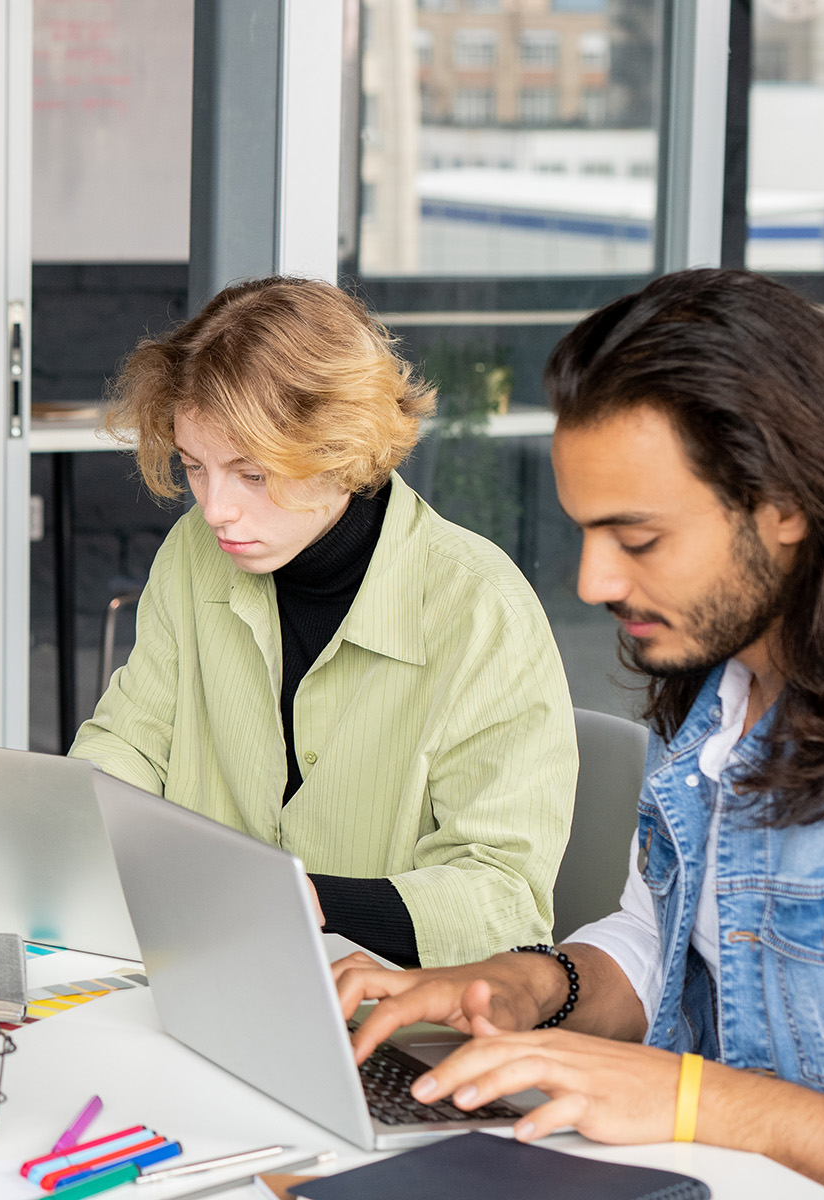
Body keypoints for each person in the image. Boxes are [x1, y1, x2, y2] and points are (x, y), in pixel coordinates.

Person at [335, 269, 824, 1197]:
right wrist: (534, 985)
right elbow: (663, 937)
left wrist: (691, 1098)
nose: (591, 582)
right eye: (586, 531)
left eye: (637, 539)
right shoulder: (727, 693)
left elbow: (706, 1093)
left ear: (785, 504)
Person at [70, 277, 577, 968]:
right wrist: (71, 829)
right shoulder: (193, 555)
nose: (216, 508)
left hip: (399, 1021)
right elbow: (131, 744)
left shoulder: (480, 608)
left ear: (343, 448)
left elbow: (505, 898)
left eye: (251, 475)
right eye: (196, 467)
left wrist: (309, 902)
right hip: (205, 970)